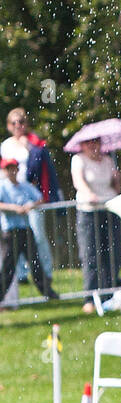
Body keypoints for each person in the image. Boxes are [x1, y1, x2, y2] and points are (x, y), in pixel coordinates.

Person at [2, 108, 59, 287]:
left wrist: (30, 148)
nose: (18, 126)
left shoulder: (34, 143)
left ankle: (46, 272)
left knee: (38, 235)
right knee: (13, 240)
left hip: (30, 194)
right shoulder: (6, 145)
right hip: (11, 195)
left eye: (21, 122)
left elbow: (41, 167)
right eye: (14, 123)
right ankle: (21, 274)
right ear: (9, 126)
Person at [71, 136, 121, 310]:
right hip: (89, 211)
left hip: (109, 209)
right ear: (82, 145)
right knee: (91, 255)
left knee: (113, 254)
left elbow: (116, 189)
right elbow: (78, 181)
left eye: (96, 141)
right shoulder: (78, 160)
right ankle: (90, 298)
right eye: (89, 142)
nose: (93, 145)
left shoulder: (108, 160)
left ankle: (109, 294)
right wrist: (89, 194)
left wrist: (117, 179)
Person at [0, 157, 57, 301]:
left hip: (25, 229)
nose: (12, 172)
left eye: (14, 168)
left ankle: (47, 292)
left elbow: (40, 198)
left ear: (18, 169)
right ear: (5, 171)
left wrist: (31, 205)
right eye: (8, 169)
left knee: (35, 262)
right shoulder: (2, 187)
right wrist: (13, 208)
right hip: (10, 232)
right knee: (8, 267)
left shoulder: (25, 186)